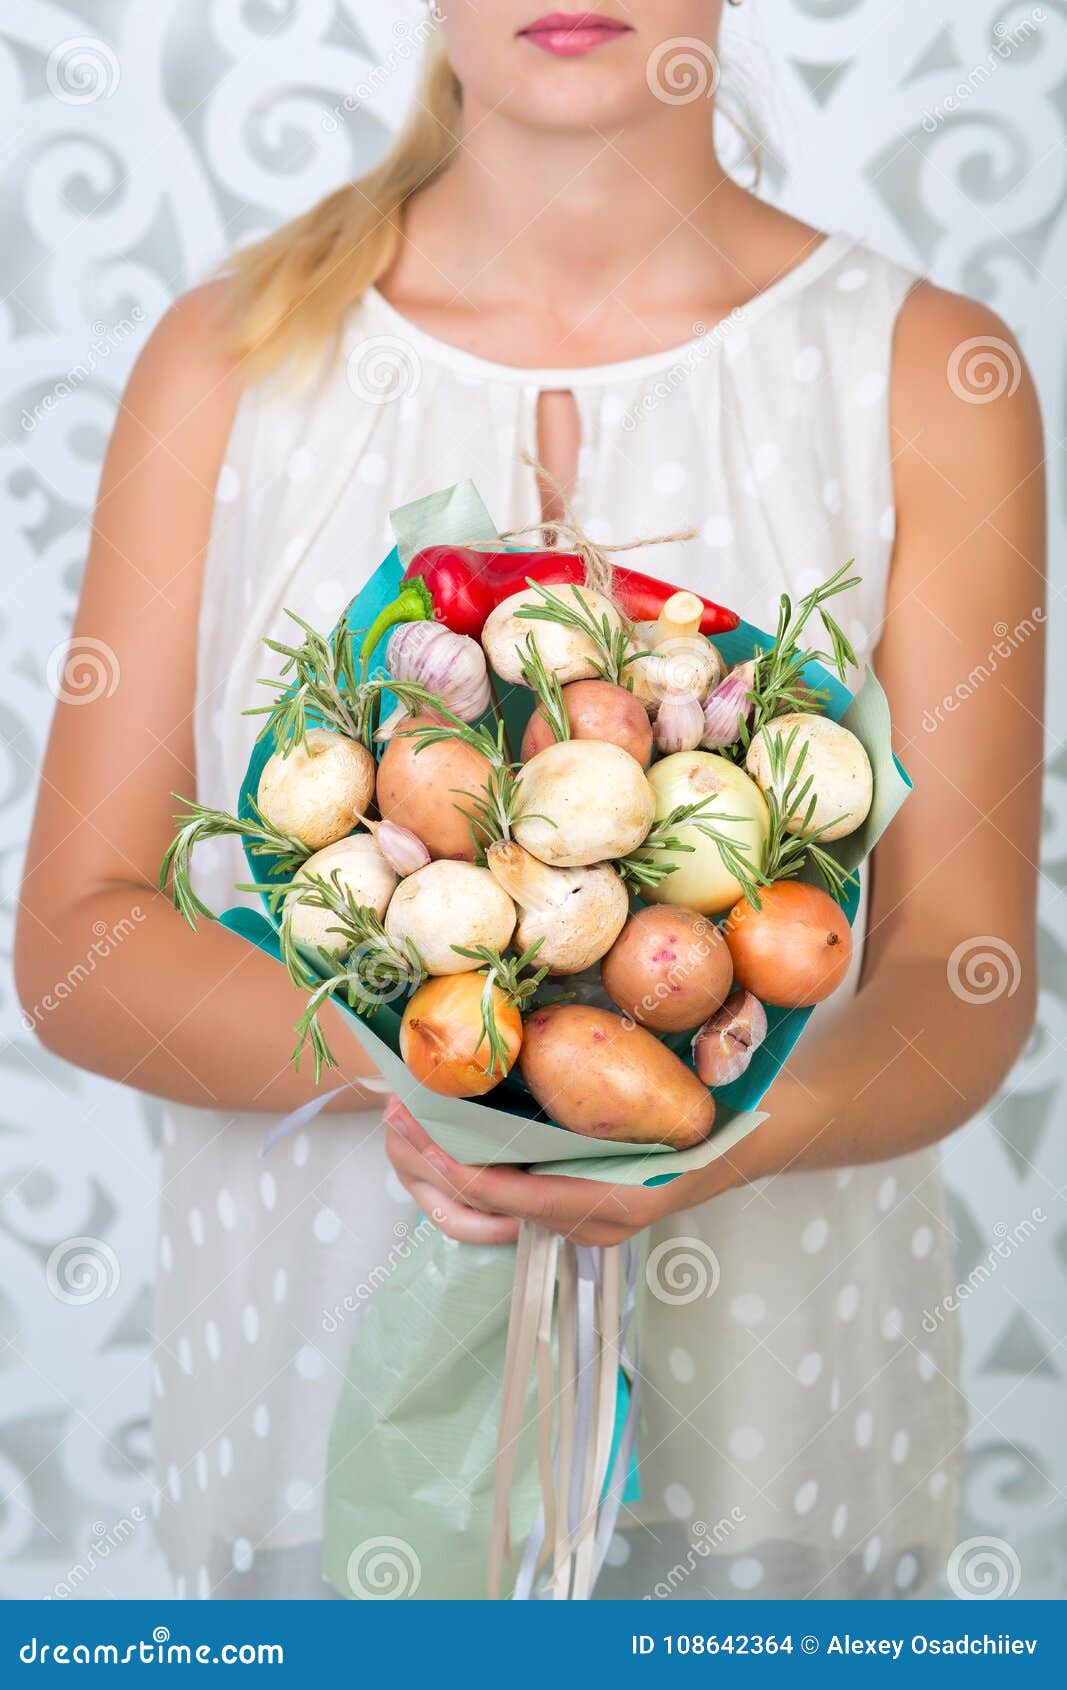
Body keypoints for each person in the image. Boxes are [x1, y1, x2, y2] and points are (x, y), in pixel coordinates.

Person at [17, 2, 1044, 1601]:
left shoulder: (928, 374)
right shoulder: (231, 358)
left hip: (780, 1417)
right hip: (310, 1389)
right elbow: (77, 942)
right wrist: (430, 1083)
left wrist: (729, 1133)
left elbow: (965, 974)